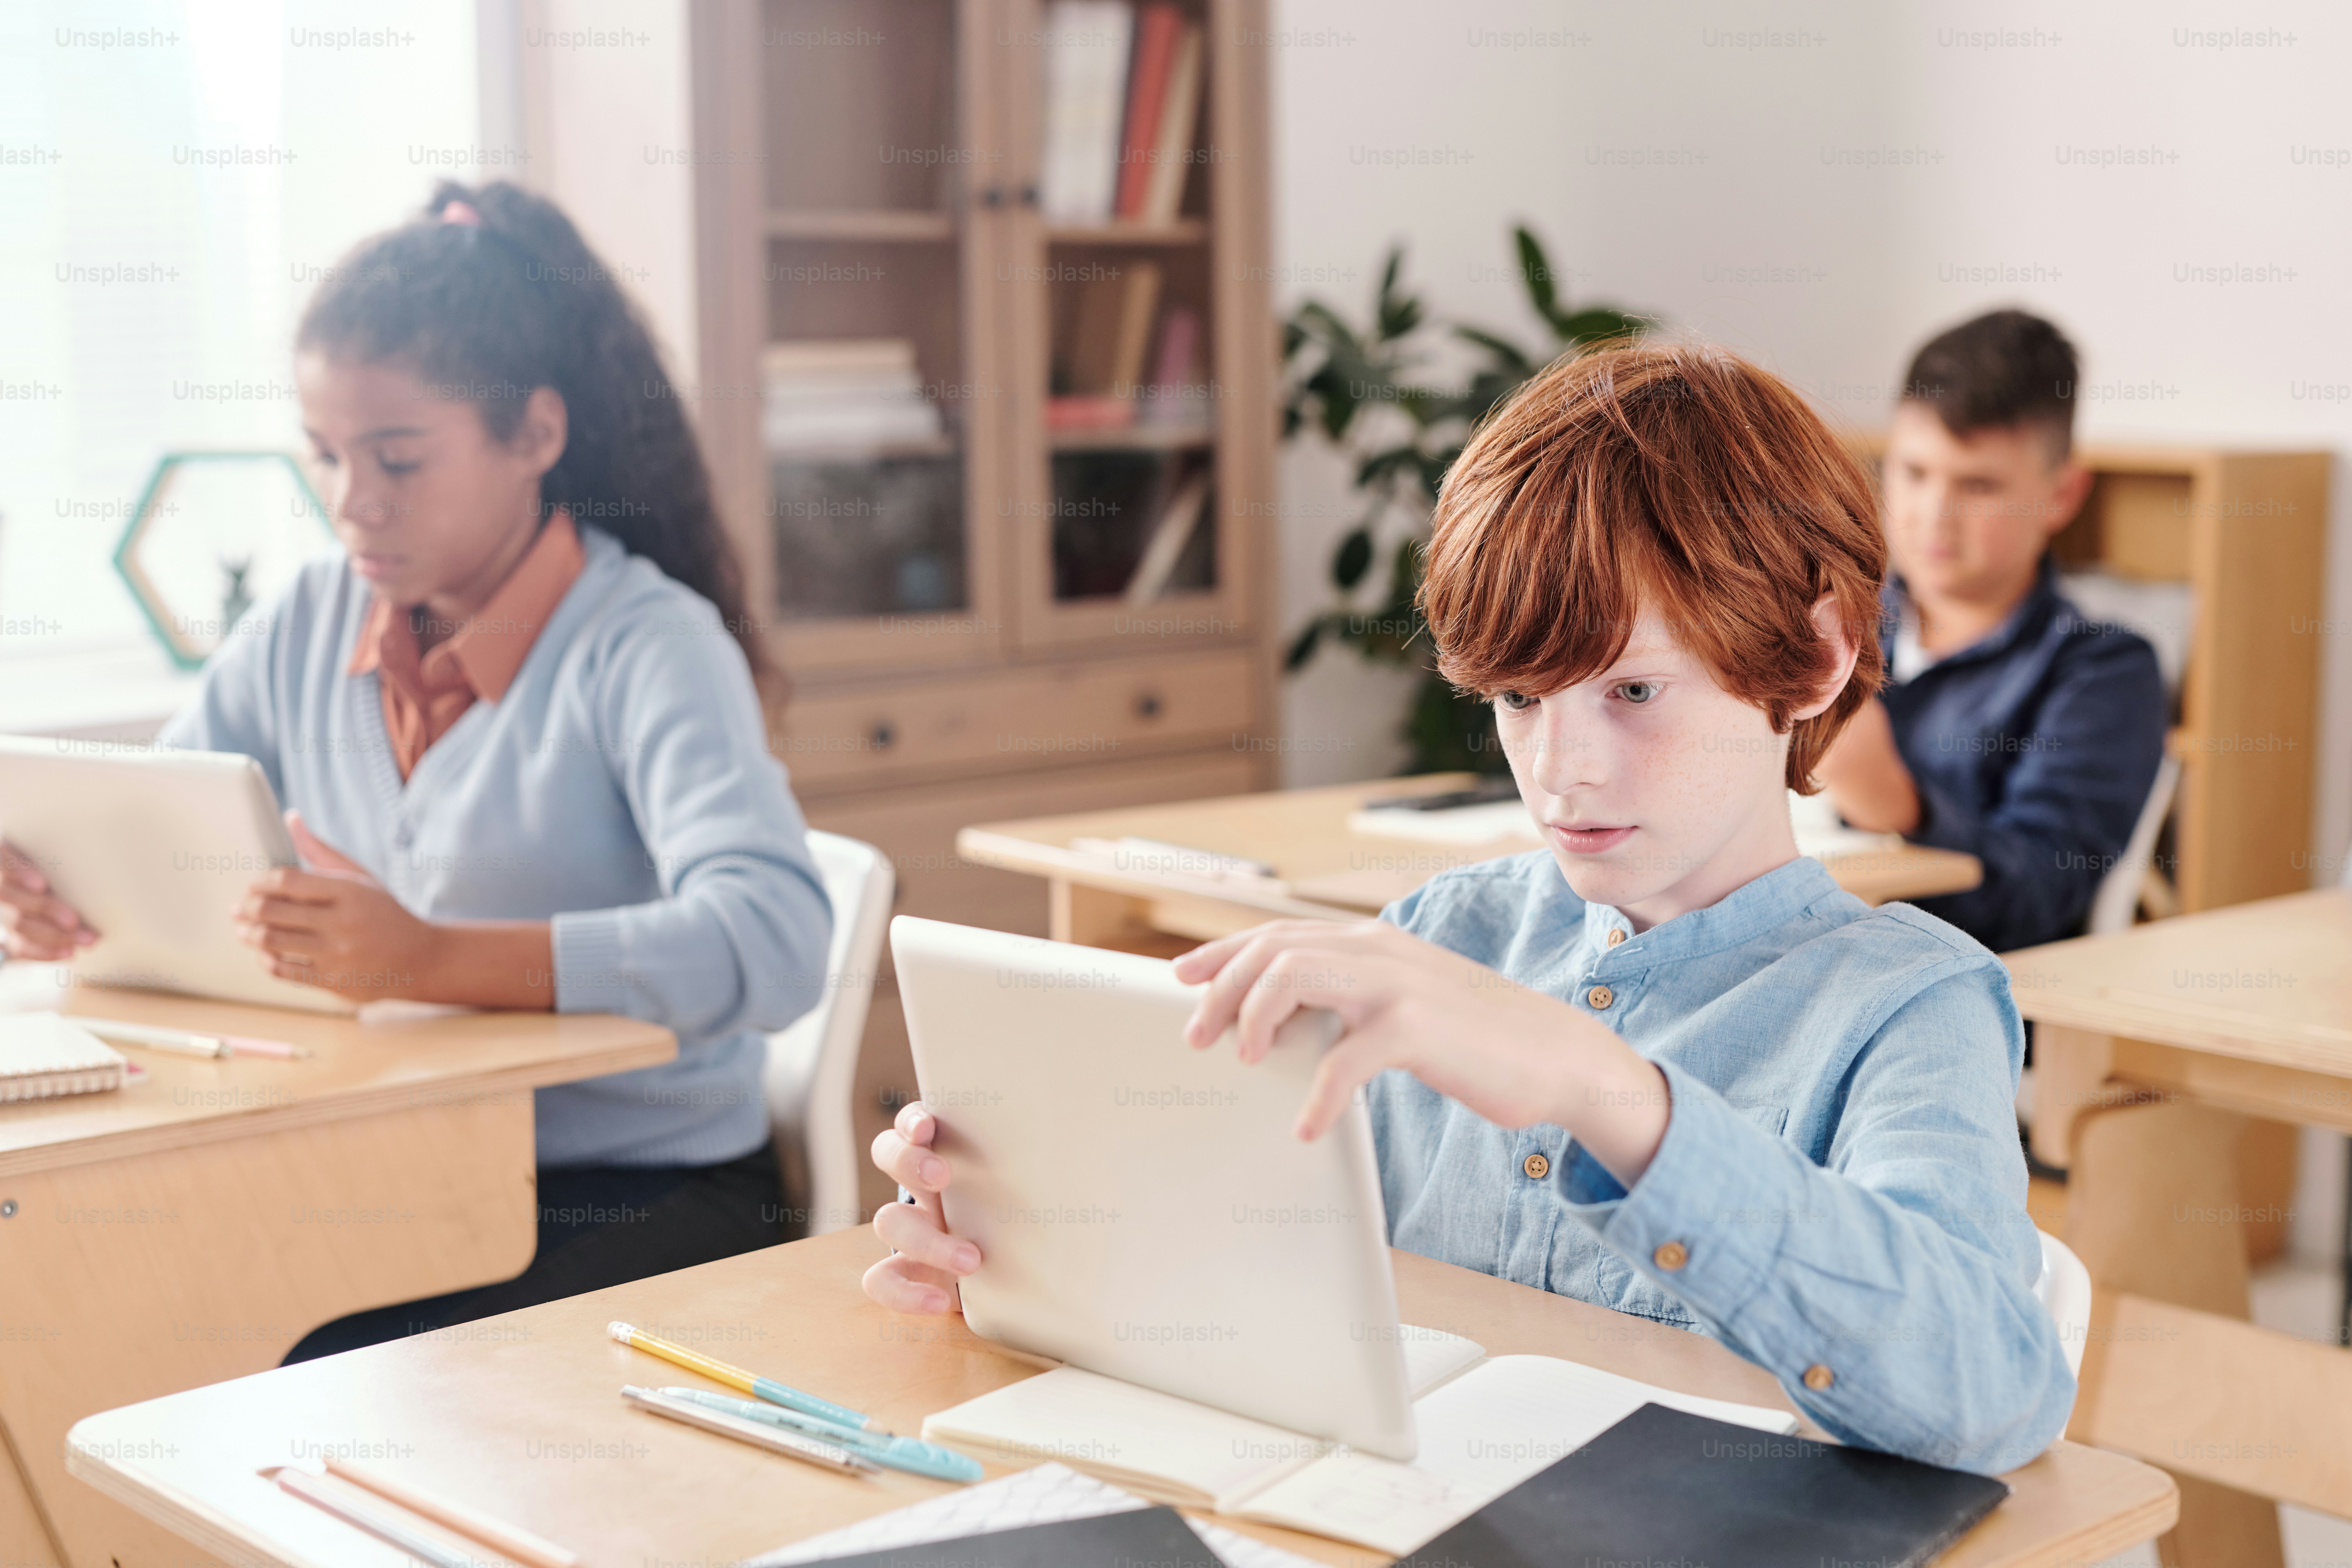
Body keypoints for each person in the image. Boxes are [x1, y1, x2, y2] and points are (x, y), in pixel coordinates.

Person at [860, 342, 2074, 1476]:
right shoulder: (1445, 933)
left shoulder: (1912, 1003)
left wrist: (1604, 1090)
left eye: (1635, 689)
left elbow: (1990, 1391)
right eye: (1518, 697)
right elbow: (1280, 1295)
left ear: (1814, 658)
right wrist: (1040, 1256)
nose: (1561, 769)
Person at [0, 181, 831, 1357]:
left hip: (636, 1188)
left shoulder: (647, 643)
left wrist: (432, 958)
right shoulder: (305, 619)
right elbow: (168, 827)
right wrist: (55, 897)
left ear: (535, 436)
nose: (353, 503)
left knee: (280, 1359)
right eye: (329, 456)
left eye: (398, 457)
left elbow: (777, 938)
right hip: (383, 1160)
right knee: (93, 1295)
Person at [1816, 309, 2166, 953]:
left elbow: (2038, 898)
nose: (1934, 517)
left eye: (1978, 485)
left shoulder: (2103, 671)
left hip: (1950, 1004)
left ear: (2062, 496)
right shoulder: (1832, 620)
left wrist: (1899, 807)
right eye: (1915, 473)